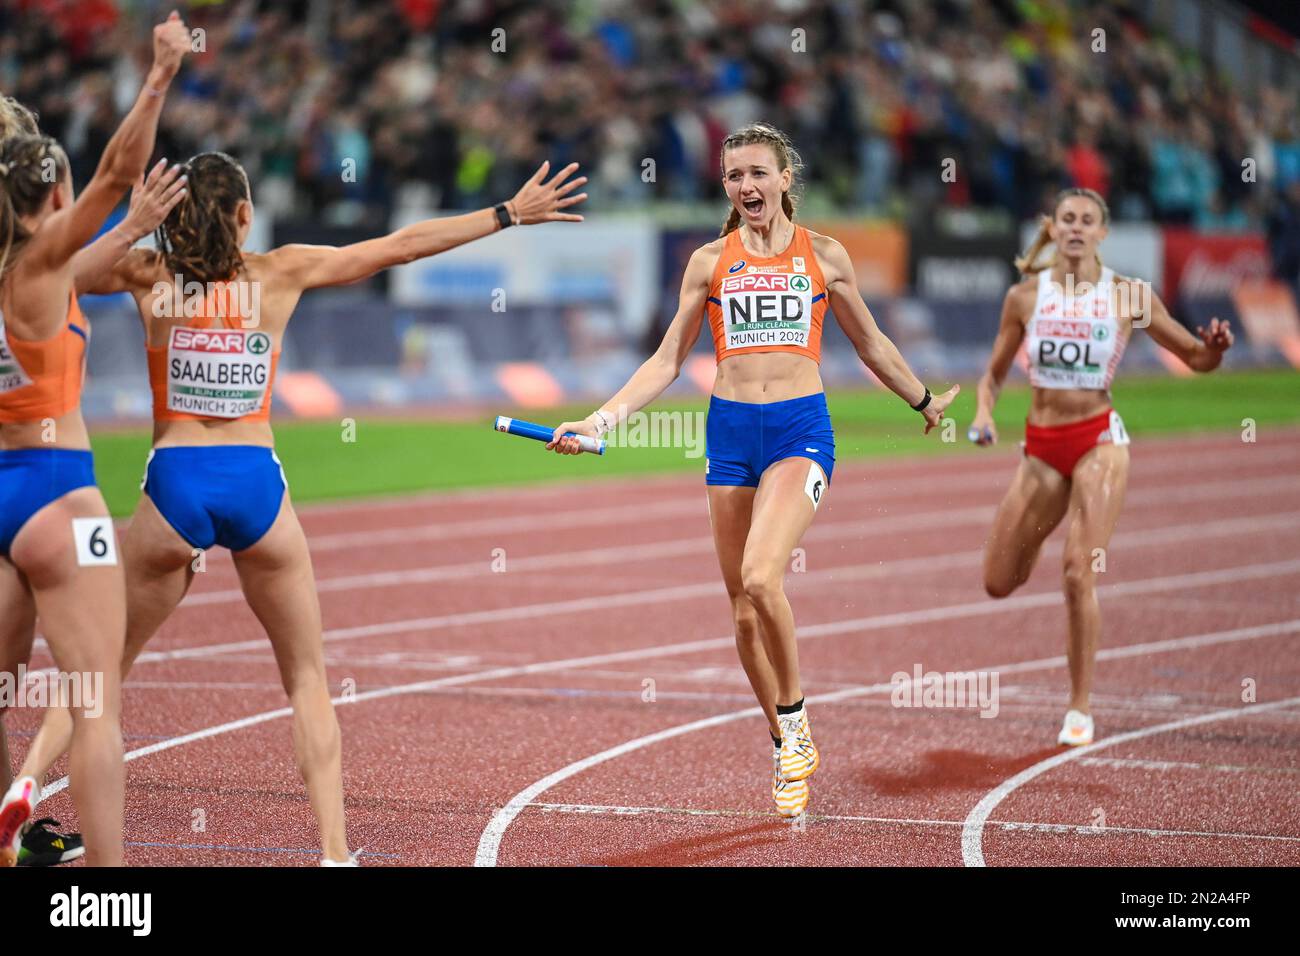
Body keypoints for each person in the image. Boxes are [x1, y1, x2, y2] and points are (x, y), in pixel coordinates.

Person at [18, 151, 586, 865]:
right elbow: (400, 247)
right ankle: (335, 853)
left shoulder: (147, 274)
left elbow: (51, 275)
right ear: (246, 216)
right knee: (306, 678)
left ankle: (21, 792)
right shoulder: (278, 271)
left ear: (174, 215)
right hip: (256, 483)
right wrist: (506, 214)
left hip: (173, 486)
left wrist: (135, 226)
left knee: (98, 672)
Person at [549, 123, 956, 818]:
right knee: (742, 612)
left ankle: (797, 721)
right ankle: (781, 743)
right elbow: (666, 361)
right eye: (734, 175)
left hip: (801, 430)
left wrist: (921, 398)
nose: (746, 187)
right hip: (730, 435)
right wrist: (599, 421)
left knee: (764, 576)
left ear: (785, 178)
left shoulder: (824, 256)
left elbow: (870, 342)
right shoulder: (710, 262)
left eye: (758, 173)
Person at [0, 12, 191, 867]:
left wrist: (131, 226)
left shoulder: (29, 273)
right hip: (57, 492)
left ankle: (15, 838)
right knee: (93, 702)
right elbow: (116, 173)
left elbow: (90, 256)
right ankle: (110, 896)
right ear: (48, 200)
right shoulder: (40, 263)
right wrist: (158, 74)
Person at [969, 187, 1234, 746]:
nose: (1075, 227)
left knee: (1077, 570)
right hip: (1041, 446)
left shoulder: (1129, 296)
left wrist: (1213, 348)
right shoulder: (1023, 297)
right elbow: (993, 374)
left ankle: (1079, 708)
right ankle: (1041, 527)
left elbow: (1193, 357)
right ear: (1053, 227)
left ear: (1102, 232)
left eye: (1087, 219)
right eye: (1067, 218)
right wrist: (984, 414)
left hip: (1098, 440)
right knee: (997, 581)